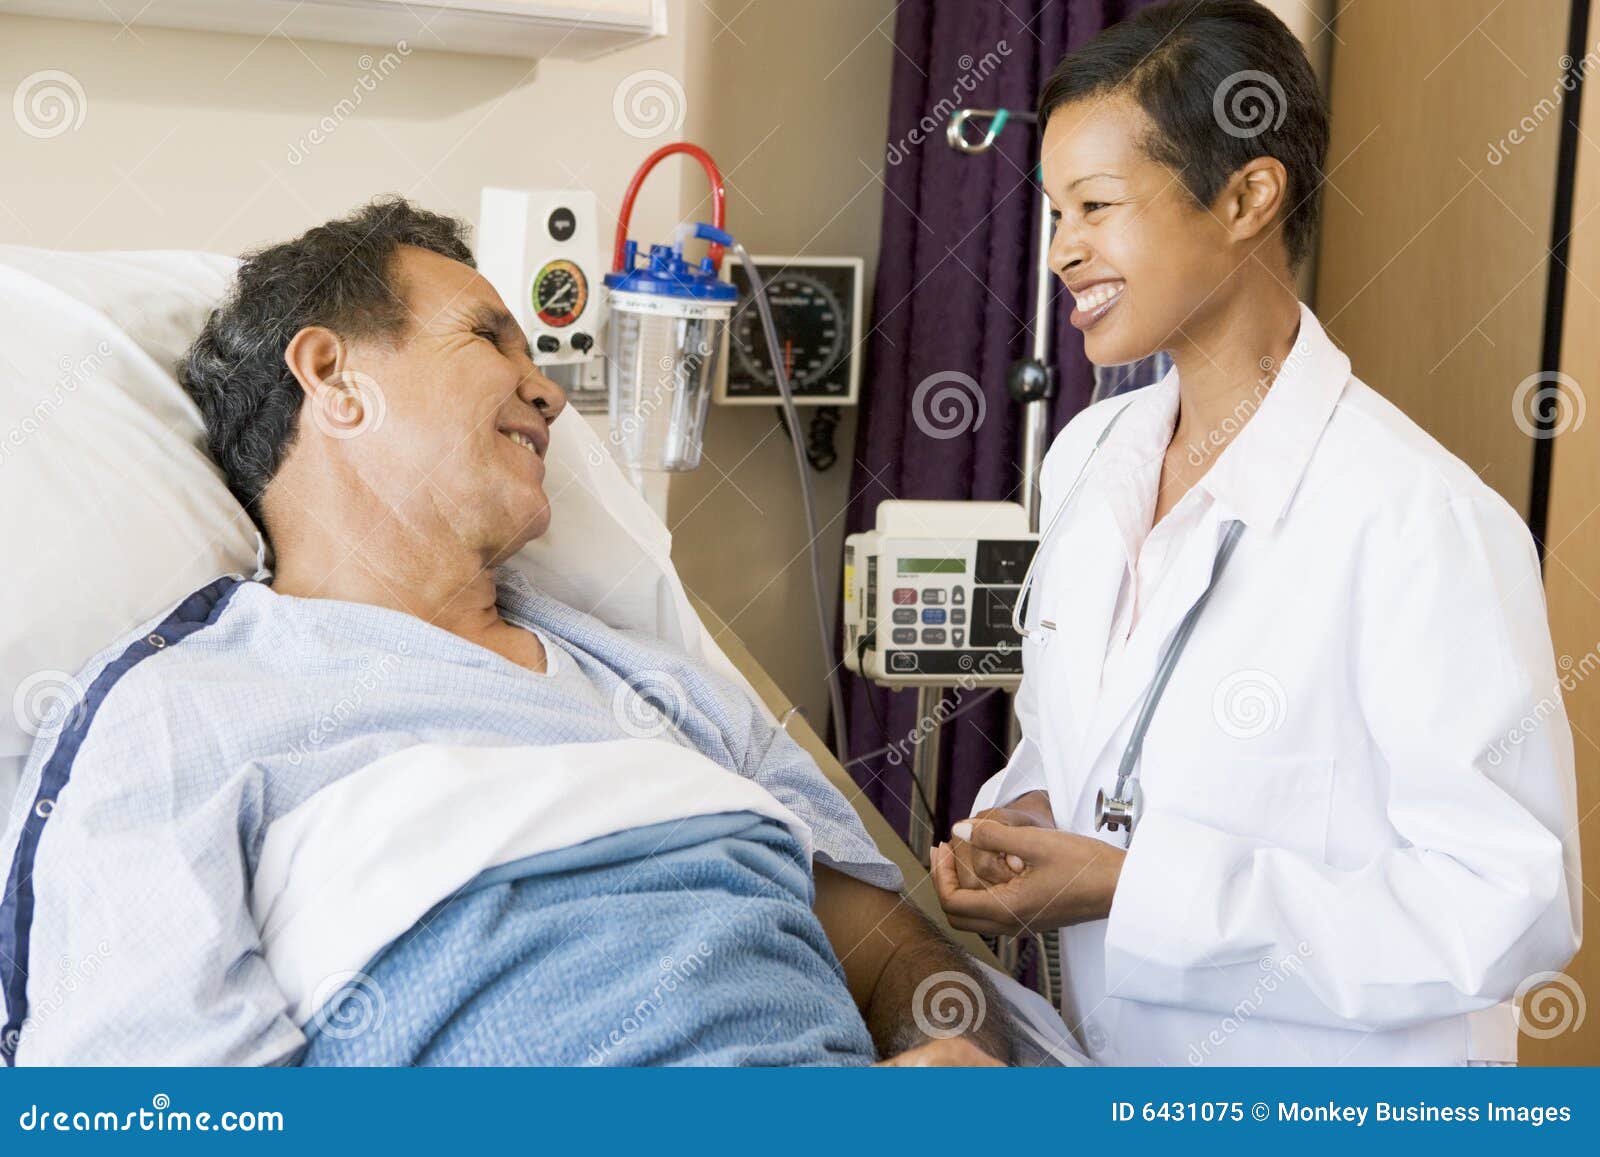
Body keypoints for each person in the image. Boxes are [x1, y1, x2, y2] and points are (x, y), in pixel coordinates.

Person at [0, 197, 1014, 1067]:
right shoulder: (183, 708)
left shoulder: (661, 685)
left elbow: (887, 950)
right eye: (488, 338)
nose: (550, 389)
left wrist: (956, 1049)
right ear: (333, 376)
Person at [932, 0, 1580, 1065]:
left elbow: (1507, 903)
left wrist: (1140, 890)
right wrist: (1024, 819)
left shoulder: (1418, 517)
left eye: (1095, 206)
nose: (1062, 251)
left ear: (1245, 196)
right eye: (1054, 213)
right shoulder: (1090, 457)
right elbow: (1072, 744)